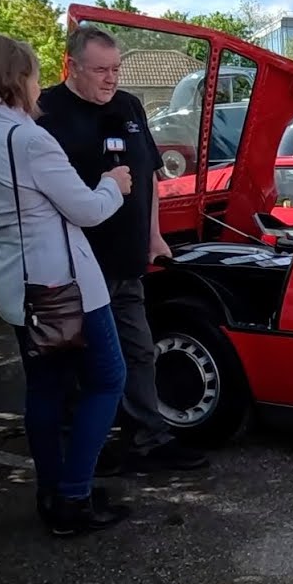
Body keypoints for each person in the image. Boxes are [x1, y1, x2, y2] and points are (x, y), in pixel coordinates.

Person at [0, 34, 133, 535]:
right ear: (16, 78)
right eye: (32, 75)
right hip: (66, 288)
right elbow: (88, 210)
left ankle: (52, 492)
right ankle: (73, 495)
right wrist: (112, 185)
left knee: (45, 391)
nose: (37, 85)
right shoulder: (29, 139)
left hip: (16, 288)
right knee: (108, 379)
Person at [36, 24, 208, 473]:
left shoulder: (129, 106)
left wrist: (154, 235)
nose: (111, 78)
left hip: (126, 258)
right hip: (74, 265)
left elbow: (148, 174)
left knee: (138, 351)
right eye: (101, 70)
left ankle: (147, 439)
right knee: (77, 359)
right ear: (72, 66)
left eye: (116, 69)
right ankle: (83, 449)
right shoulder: (45, 111)